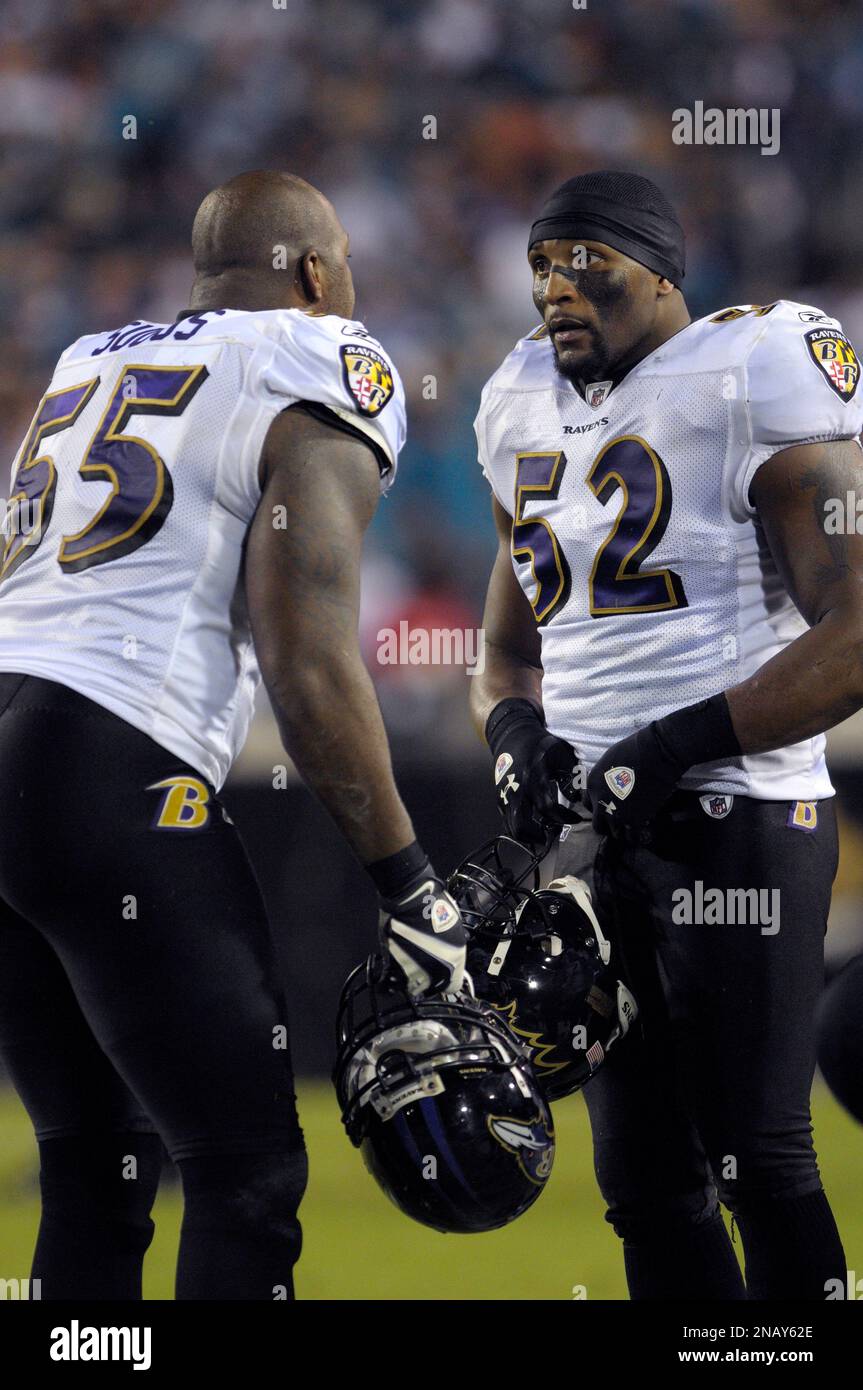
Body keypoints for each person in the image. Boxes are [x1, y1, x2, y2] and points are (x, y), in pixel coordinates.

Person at [0, 170, 464, 1301]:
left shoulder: (89, 358)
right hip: (107, 760)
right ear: (316, 271)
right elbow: (306, 663)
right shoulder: (319, 358)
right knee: (245, 1175)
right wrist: (408, 882)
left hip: (15, 736)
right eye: (344, 258)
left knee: (96, 1172)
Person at [470, 169, 863, 1300]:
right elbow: (503, 651)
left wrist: (673, 738)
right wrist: (508, 730)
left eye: (584, 261)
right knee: (642, 1177)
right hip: (591, 845)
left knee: (756, 1153)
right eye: (540, 264)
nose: (554, 286)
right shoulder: (516, 401)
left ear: (657, 269)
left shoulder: (752, 369)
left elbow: (849, 635)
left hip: (738, 812)